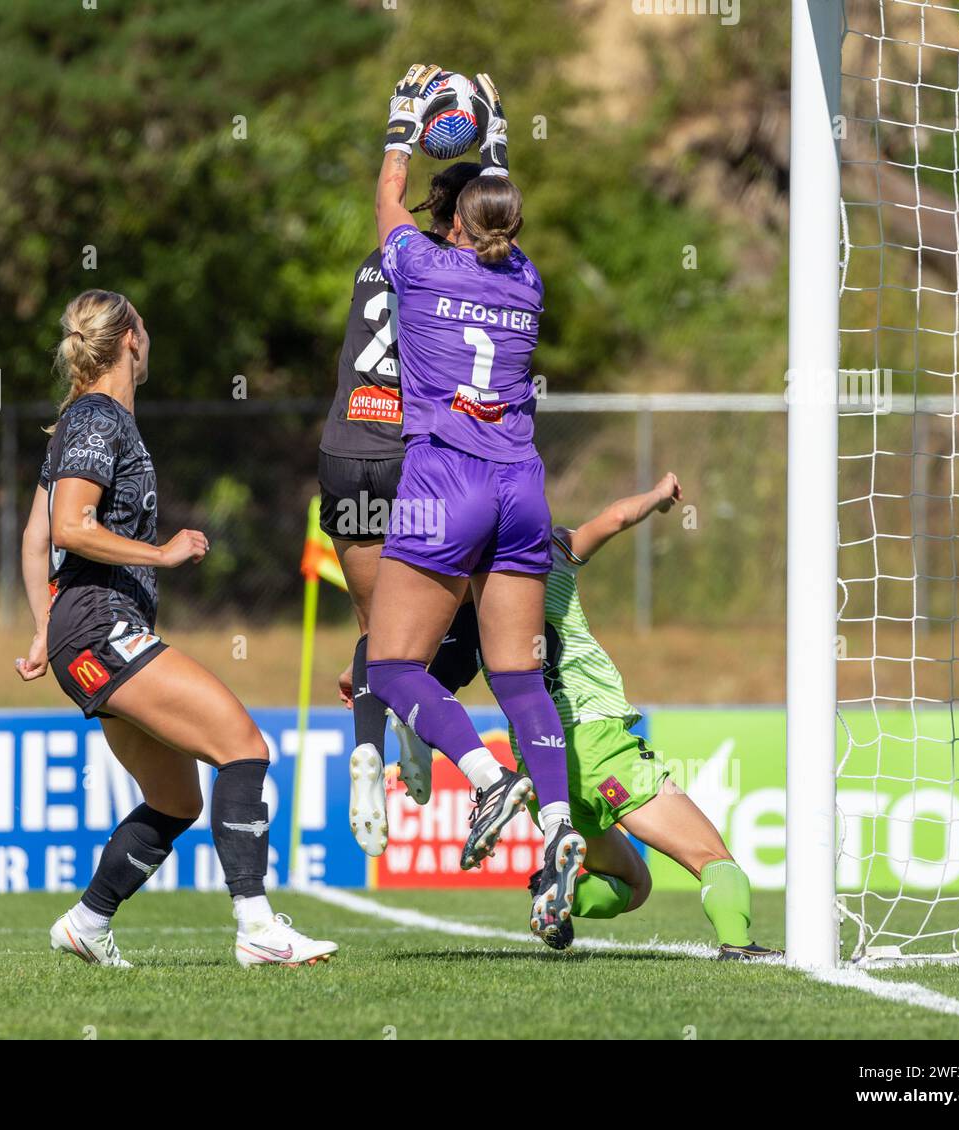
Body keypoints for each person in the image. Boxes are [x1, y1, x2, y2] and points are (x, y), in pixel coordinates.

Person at [16, 288, 336, 969]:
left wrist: (46, 626)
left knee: (175, 798)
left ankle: (88, 920)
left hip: (83, 632)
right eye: (147, 321)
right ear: (130, 338)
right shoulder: (99, 418)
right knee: (244, 747)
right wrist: (161, 554)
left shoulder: (85, 419)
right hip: (102, 626)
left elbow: (36, 533)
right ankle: (256, 926)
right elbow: (70, 528)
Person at [364, 64, 584, 949]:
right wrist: (489, 124)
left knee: (389, 670)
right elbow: (496, 205)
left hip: (443, 481)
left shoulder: (416, 266)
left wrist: (403, 124)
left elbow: (388, 195)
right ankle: (560, 824)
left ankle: (487, 779)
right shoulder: (526, 280)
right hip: (522, 487)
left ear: (447, 221)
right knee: (520, 677)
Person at [401, 472, 782, 959]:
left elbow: (423, 681)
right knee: (711, 857)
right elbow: (618, 516)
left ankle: (556, 894)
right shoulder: (549, 556)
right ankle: (739, 943)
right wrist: (661, 496)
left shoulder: (468, 610)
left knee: (632, 884)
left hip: (544, 770)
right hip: (600, 741)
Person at [317, 160, 485, 854]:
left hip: (343, 453)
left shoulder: (374, 261)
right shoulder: (456, 277)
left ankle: (367, 746)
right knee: (466, 626)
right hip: (410, 461)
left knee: (373, 628)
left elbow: (389, 198)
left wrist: (401, 131)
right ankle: (416, 720)